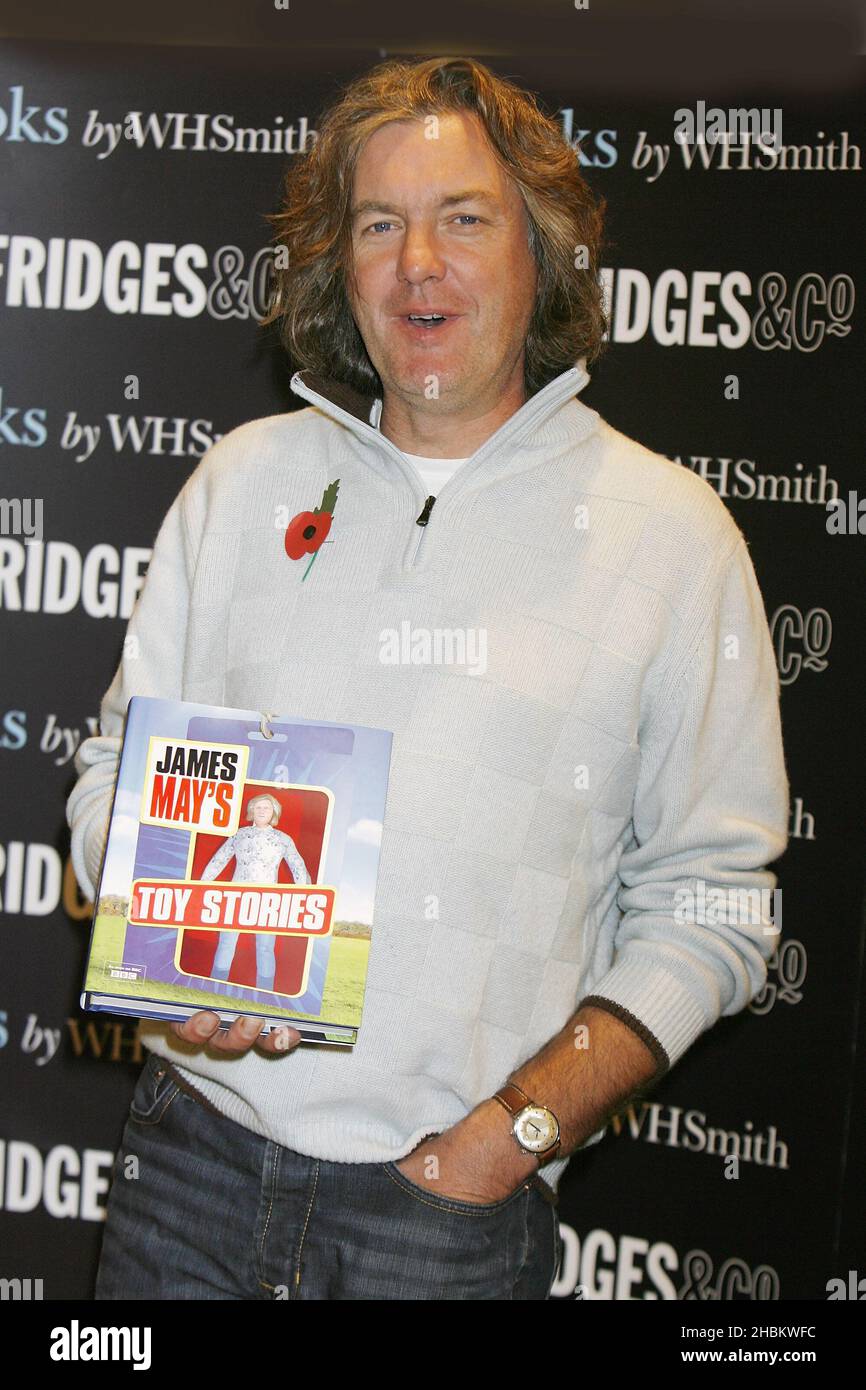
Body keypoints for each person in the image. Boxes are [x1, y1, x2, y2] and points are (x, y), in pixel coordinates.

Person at [66, 55, 789, 1301]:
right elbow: (109, 775)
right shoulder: (241, 484)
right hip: (183, 1161)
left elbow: (712, 907)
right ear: (340, 268)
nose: (418, 263)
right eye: (380, 224)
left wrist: (505, 1139)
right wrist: (170, 967)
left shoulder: (672, 537)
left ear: (542, 253)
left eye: (463, 217)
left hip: (443, 1220)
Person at [198, 792, 311, 994]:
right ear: (252, 811)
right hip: (236, 898)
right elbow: (219, 859)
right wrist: (201, 886)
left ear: (274, 812)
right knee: (226, 942)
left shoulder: (283, 839)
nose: (261, 811)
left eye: (266, 807)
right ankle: (214, 990)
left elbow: (298, 867)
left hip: (268, 902)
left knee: (266, 947)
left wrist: (303, 897)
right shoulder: (239, 835)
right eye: (258, 807)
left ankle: (265, 992)